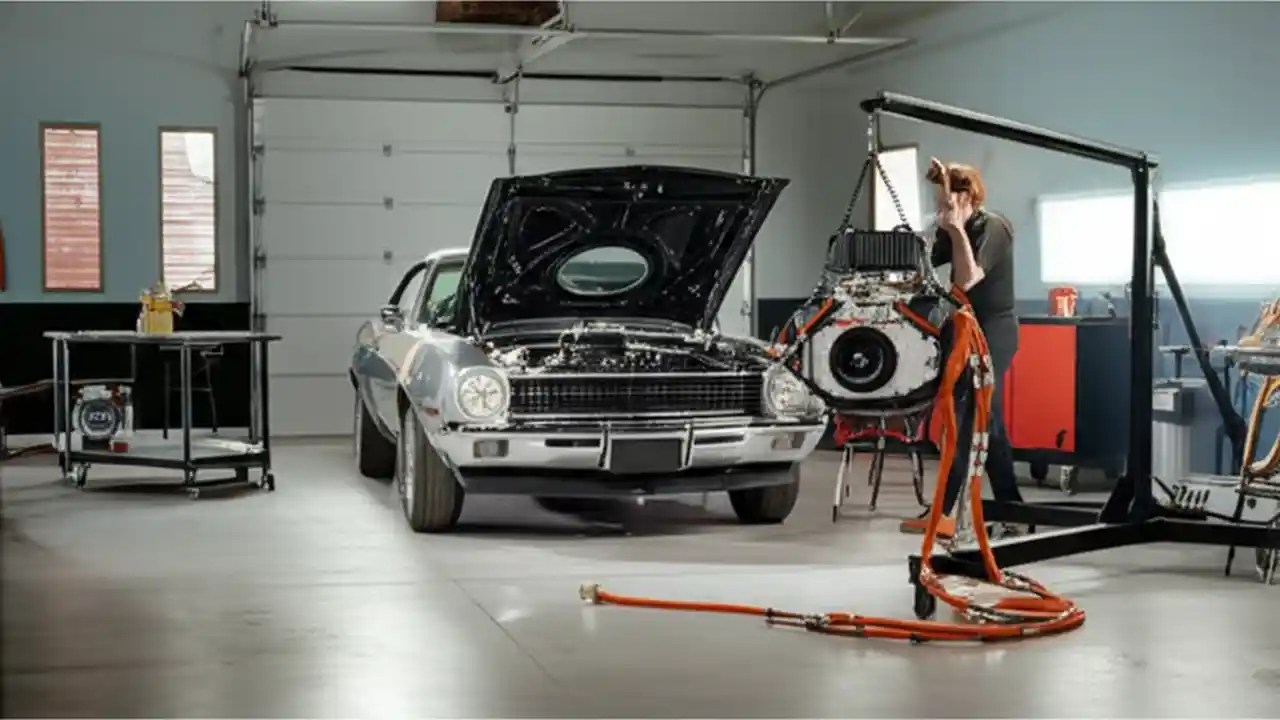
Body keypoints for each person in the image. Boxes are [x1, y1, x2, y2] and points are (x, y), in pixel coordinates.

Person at [906, 158, 1025, 537]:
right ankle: (1014, 510)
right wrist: (931, 232)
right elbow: (923, 269)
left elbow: (967, 278)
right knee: (989, 423)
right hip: (966, 328)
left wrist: (956, 231)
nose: (943, 209)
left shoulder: (995, 227)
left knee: (967, 416)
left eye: (947, 201)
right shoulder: (951, 225)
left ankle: (944, 513)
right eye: (938, 202)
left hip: (996, 330)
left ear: (968, 197)